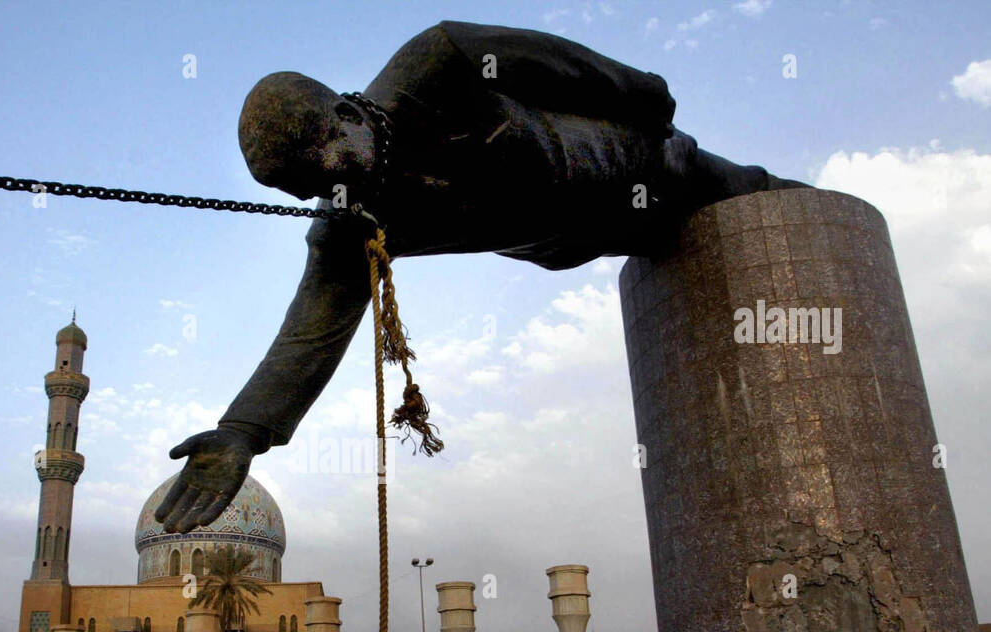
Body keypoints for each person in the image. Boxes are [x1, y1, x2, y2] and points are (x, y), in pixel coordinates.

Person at [153, 22, 807, 537]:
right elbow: (309, 331)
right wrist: (243, 431)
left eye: (325, 164)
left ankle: (829, 241)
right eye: (309, 189)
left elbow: (557, 63)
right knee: (685, 262)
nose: (329, 187)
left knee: (762, 207)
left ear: (346, 115)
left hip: (636, 164)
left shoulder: (438, 65)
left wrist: (645, 100)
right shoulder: (348, 226)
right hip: (584, 235)